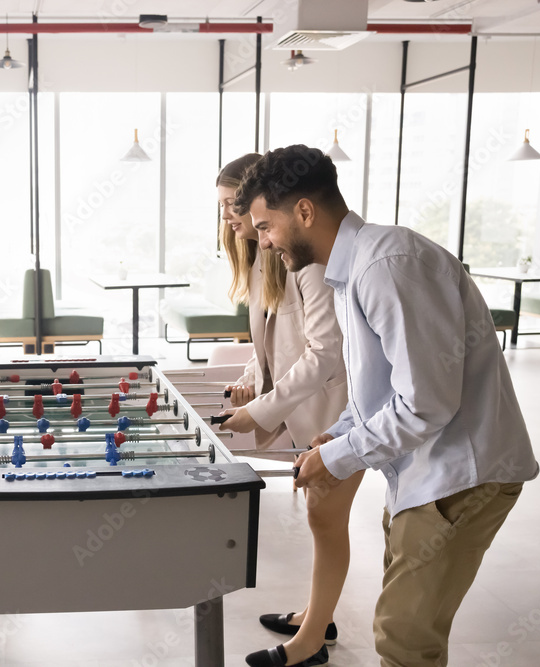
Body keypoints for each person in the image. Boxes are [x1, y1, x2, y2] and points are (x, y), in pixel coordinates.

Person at [236, 144, 539, 667]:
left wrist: (339, 457)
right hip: (425, 473)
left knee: (403, 638)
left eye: (266, 226)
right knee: (405, 629)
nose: (262, 243)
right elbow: (381, 392)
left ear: (304, 211)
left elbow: (426, 403)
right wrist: (337, 435)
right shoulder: (356, 268)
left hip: (460, 475)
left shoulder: (388, 265)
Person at [215, 154, 351, 667]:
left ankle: (311, 639)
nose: (231, 216)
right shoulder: (264, 260)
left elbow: (324, 352)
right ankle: (316, 615)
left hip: (336, 413)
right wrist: (252, 379)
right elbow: (271, 339)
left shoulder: (308, 262)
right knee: (324, 520)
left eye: (235, 205)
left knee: (325, 518)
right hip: (307, 410)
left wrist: (262, 410)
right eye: (225, 207)